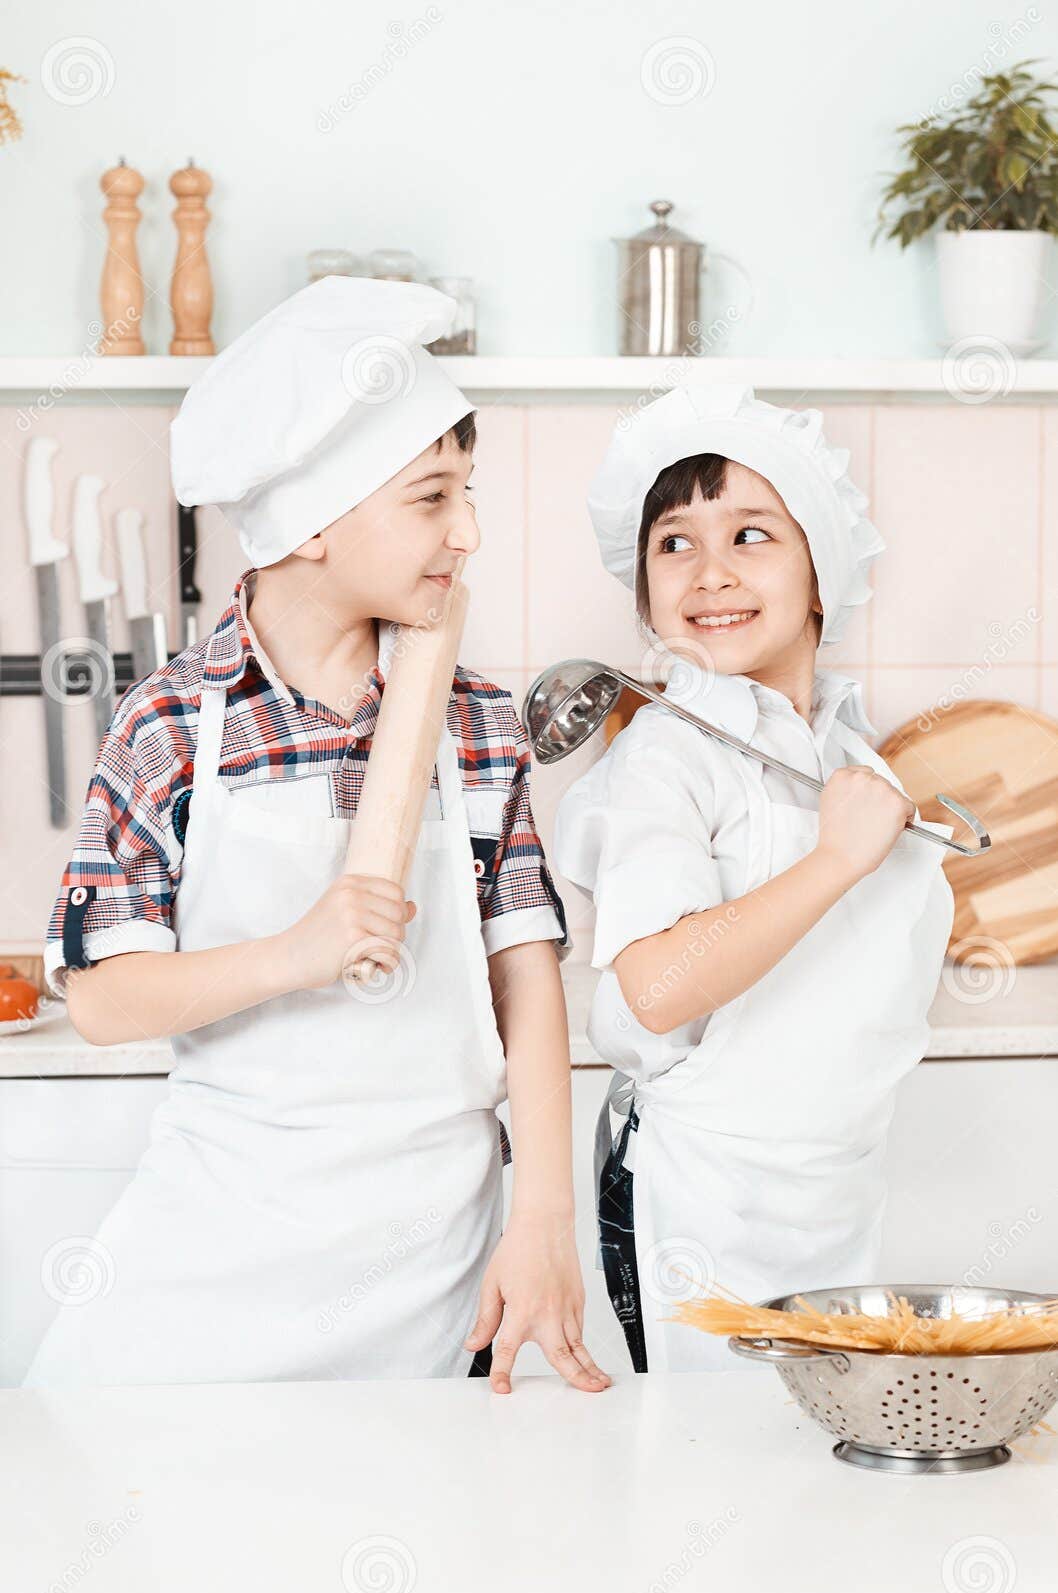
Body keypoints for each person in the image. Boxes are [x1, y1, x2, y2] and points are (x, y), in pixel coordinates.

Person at [27, 279, 610, 1396]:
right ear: (310, 525)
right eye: (431, 497)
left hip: (430, 1259)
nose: (469, 532)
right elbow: (103, 1000)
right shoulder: (170, 724)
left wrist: (543, 1219)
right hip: (216, 1250)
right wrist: (295, 953)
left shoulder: (475, 720)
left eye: (468, 492)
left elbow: (525, 978)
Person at [554, 384, 954, 1372]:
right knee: (697, 1452)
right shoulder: (665, 757)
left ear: (822, 577)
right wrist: (834, 860)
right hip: (698, 1196)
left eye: (750, 534)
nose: (710, 573)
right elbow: (655, 985)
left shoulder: (852, 759)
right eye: (673, 544)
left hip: (834, 1189)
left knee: (813, 1453)